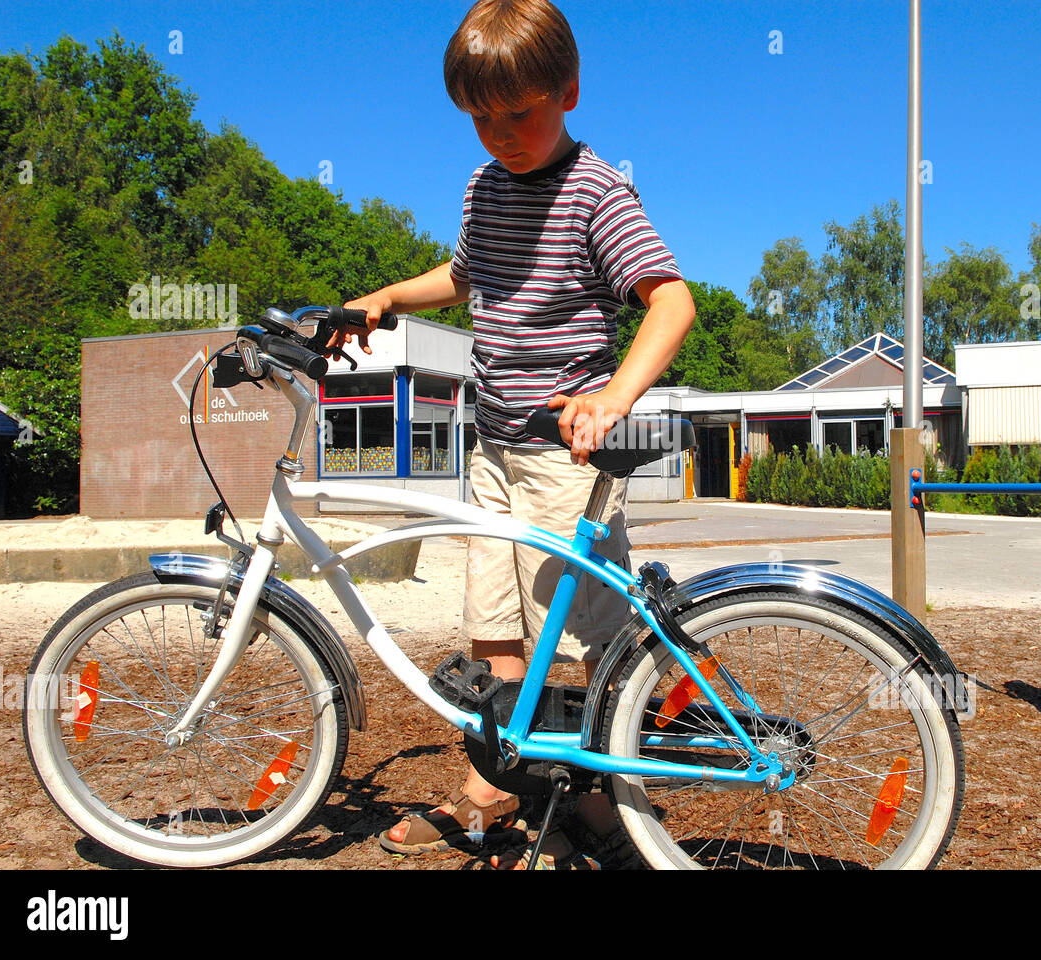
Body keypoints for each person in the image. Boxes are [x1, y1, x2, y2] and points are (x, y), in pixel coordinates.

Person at [334, 0, 695, 868]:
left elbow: (672, 301)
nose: (501, 136)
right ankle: (496, 785)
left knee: (592, 639)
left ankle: (612, 800)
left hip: (564, 455)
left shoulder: (596, 189)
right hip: (492, 448)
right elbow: (463, 275)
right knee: (492, 628)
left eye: (520, 114)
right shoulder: (484, 187)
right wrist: (386, 296)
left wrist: (612, 396)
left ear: (568, 90)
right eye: (482, 120)